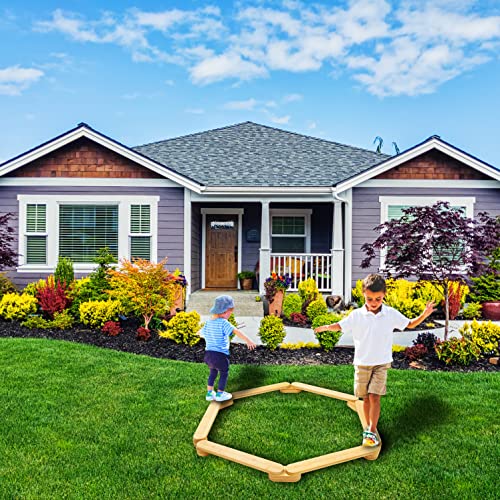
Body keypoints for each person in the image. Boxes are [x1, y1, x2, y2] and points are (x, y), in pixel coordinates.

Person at [314, 274, 435, 447]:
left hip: (381, 363)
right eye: (370, 298)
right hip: (362, 363)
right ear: (363, 294)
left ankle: (371, 429)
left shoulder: (390, 314)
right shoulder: (357, 315)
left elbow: (410, 324)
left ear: (384, 295)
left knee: (375, 396)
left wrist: (425, 313)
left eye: (378, 299)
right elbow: (340, 325)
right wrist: (326, 327)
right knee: (365, 398)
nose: (373, 302)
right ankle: (367, 426)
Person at [200, 295, 256, 402]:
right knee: (224, 372)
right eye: (230, 312)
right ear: (225, 311)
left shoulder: (208, 322)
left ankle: (209, 393)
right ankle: (220, 394)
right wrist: (248, 340)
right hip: (220, 355)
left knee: (213, 371)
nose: (230, 315)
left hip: (208, 355)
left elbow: (201, 333)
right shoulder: (223, 323)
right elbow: (236, 331)